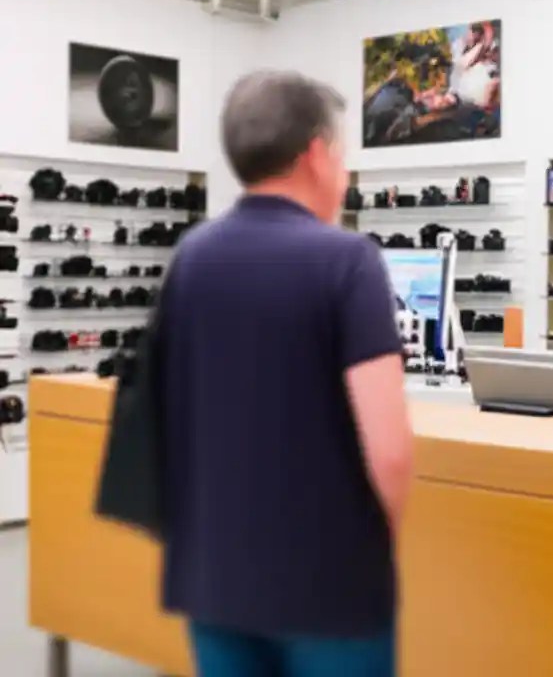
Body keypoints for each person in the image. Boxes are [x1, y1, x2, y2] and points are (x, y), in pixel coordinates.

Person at [157, 71, 414, 676]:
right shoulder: (347, 260)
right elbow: (390, 450)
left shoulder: (191, 256)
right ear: (317, 155)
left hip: (213, 572)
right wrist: (379, 550)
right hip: (327, 580)